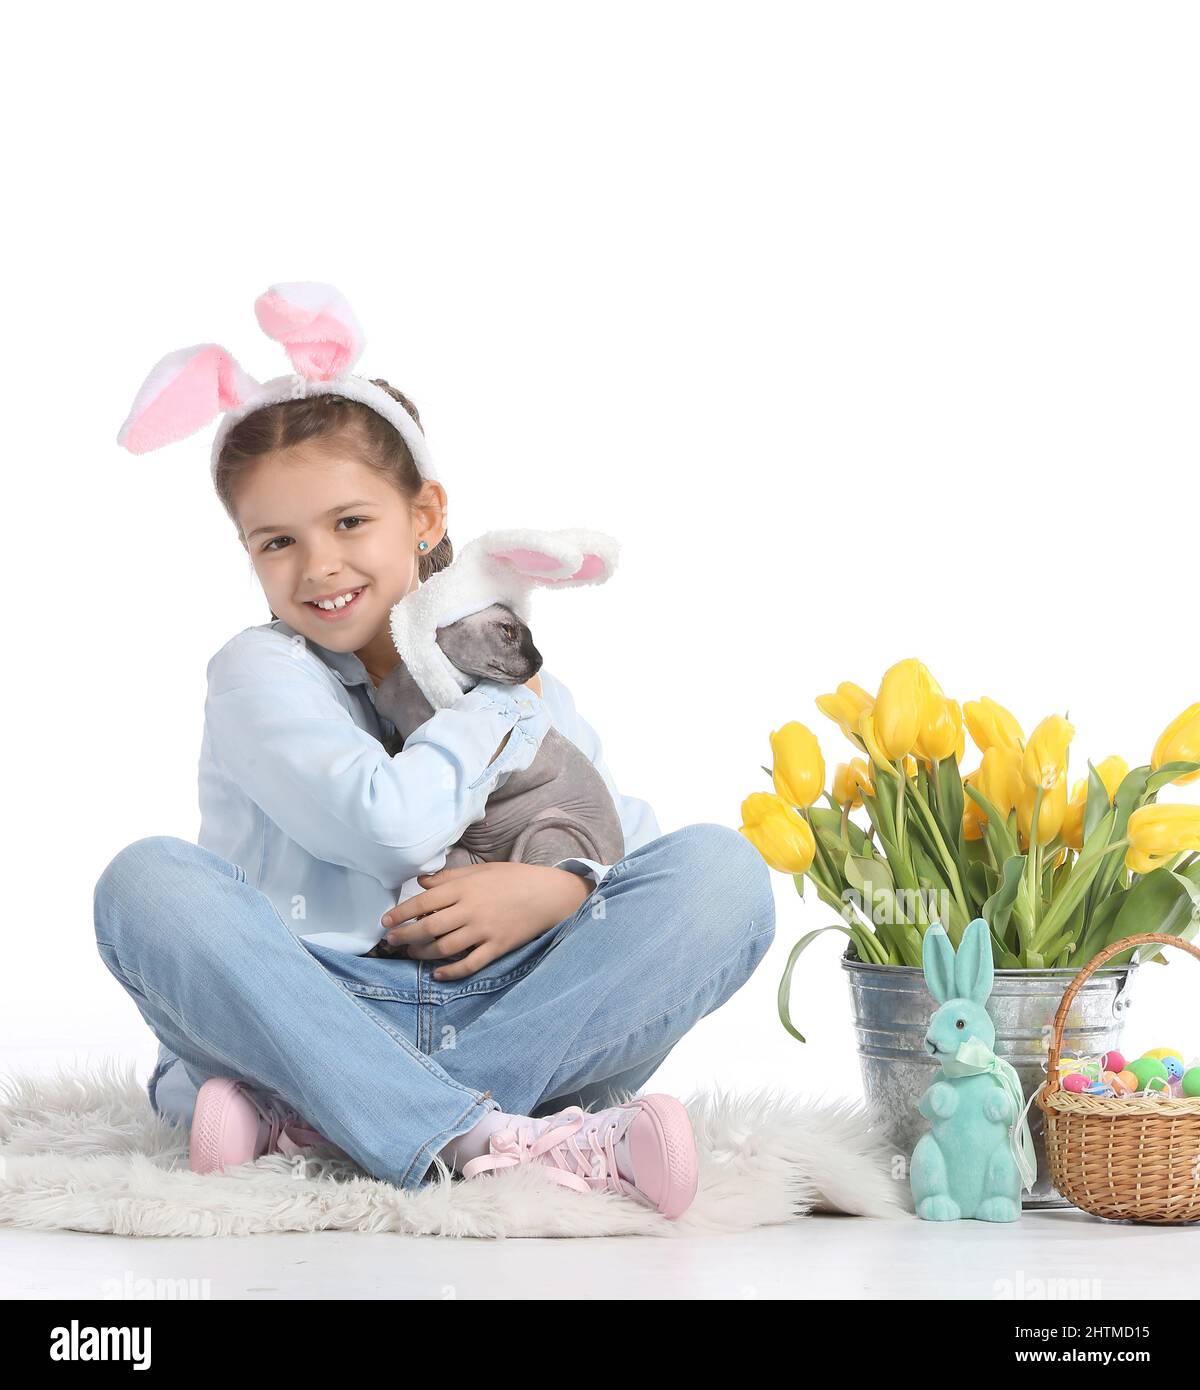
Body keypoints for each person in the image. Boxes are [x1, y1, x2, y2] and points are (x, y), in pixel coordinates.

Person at [94, 281, 775, 1221]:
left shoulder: (488, 658)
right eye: (276, 542)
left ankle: (331, 1119)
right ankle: (485, 1135)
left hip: (506, 1008)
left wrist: (561, 887)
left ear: (424, 515)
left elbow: (625, 842)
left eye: (350, 523)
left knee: (723, 875)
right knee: (146, 885)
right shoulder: (263, 672)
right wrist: (499, 705)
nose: (319, 566)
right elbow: (388, 826)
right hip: (319, 999)